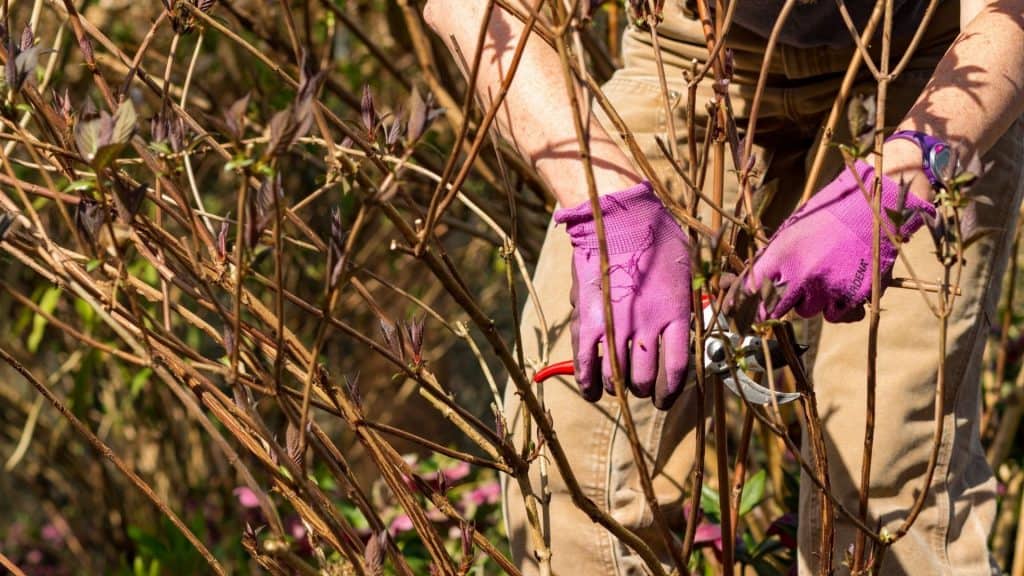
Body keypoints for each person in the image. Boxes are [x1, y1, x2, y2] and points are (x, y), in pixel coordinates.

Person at [423, 0, 1024, 573]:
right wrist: (605, 200)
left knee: (889, 479)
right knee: (566, 462)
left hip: (936, 60)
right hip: (692, 51)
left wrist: (903, 175)